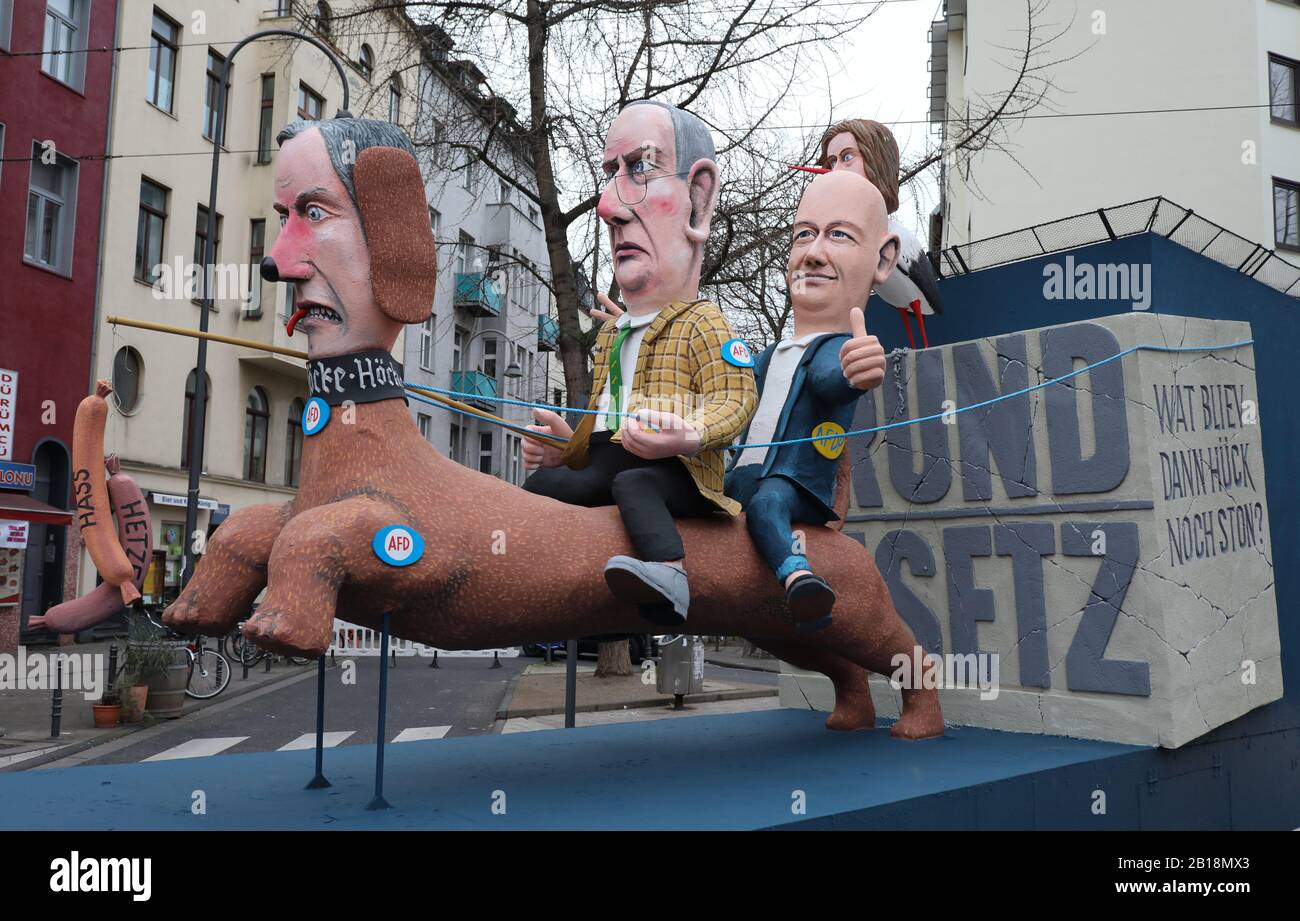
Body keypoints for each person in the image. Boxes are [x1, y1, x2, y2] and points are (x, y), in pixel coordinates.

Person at [521, 100, 757, 626]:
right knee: (548, 488)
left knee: (636, 485)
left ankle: (670, 573)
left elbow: (737, 398)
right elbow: (603, 417)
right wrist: (567, 445)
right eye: (610, 175)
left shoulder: (703, 325)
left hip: (676, 474)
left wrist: (688, 434)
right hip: (611, 458)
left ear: (699, 199)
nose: (607, 207)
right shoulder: (613, 334)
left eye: (640, 169)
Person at [724, 170, 898, 630]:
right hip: (742, 474)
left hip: (792, 484)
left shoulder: (831, 352)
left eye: (838, 235)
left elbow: (831, 381)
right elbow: (727, 396)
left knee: (766, 507)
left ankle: (798, 577)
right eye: (804, 234)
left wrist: (856, 367)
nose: (814, 253)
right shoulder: (768, 355)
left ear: (883, 259)